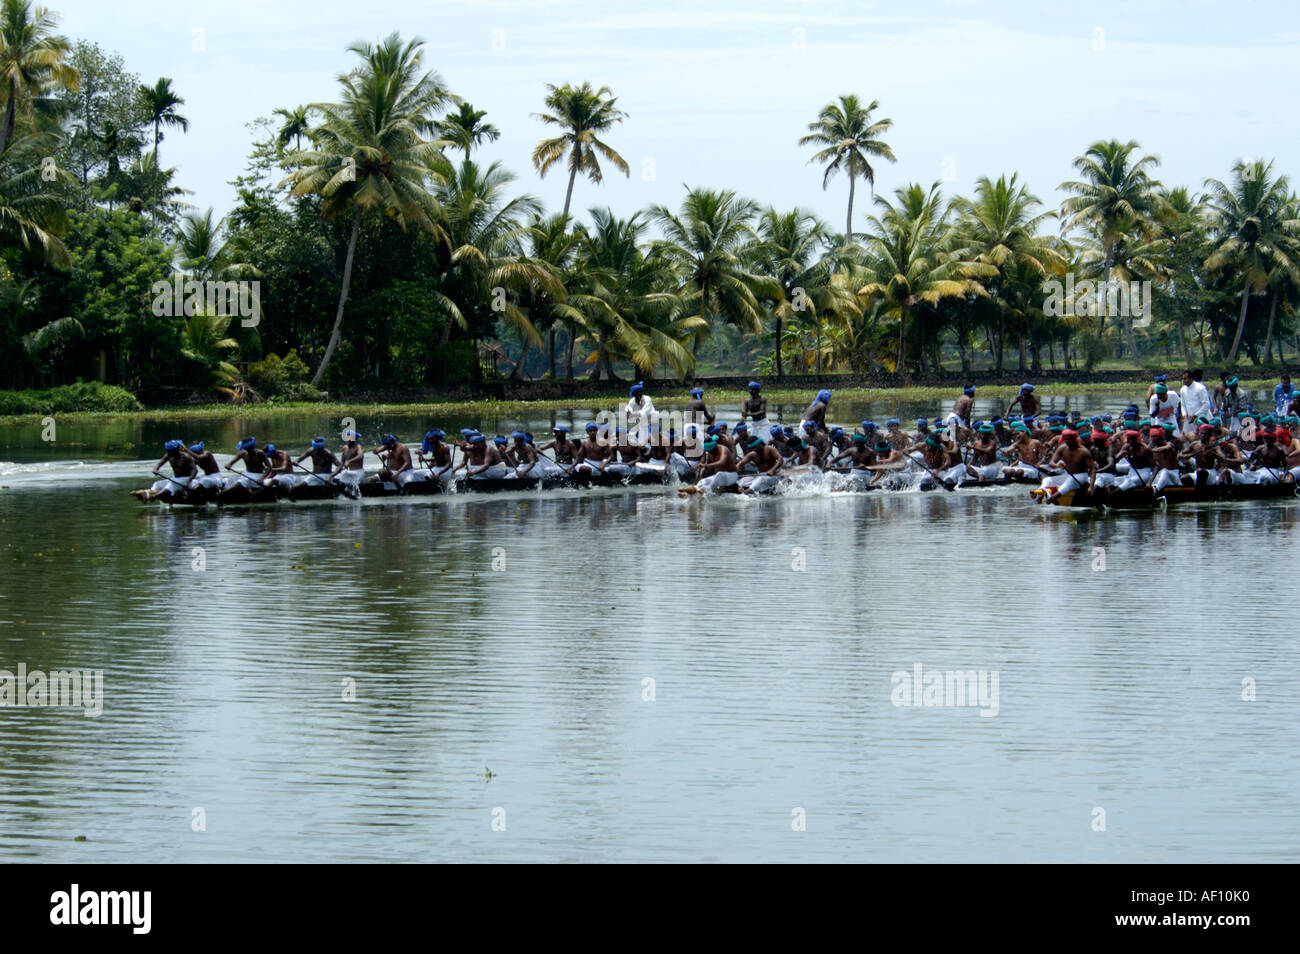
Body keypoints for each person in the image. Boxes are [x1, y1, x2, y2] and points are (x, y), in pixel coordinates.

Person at [1036, 429, 1096, 503]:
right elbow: (1051, 462)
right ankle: (1040, 494)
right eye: (1066, 439)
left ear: (1075, 439)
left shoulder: (1084, 451)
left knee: (1070, 481)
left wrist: (1091, 486)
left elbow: (1093, 469)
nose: (1067, 441)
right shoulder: (1062, 448)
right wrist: (1057, 466)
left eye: (1069, 439)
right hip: (1068, 475)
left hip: (1081, 476)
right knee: (1047, 480)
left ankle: (1053, 497)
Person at [133, 440, 197, 501]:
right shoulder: (169, 455)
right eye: (167, 451)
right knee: (157, 484)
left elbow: (195, 470)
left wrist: (188, 482)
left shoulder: (185, 457)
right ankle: (149, 493)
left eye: (170, 451)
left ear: (176, 450)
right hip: (176, 479)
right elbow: (160, 463)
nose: (168, 452)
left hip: (186, 479)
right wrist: (156, 469)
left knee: (171, 485)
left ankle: (153, 497)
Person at [1179, 369, 1212, 436]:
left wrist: (1195, 415)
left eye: (1186, 379)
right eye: (1183, 379)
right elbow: (1183, 404)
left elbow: (1206, 404)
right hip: (1189, 419)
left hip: (1202, 418)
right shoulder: (1183, 389)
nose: (1184, 381)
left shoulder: (1200, 388)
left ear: (1191, 378)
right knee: (1186, 437)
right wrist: (1184, 414)